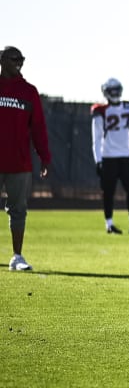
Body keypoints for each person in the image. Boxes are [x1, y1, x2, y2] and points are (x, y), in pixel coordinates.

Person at [0, 46, 51, 272]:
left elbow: (38, 127)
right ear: (2, 60)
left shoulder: (29, 91)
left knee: (18, 211)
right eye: (14, 59)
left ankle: (17, 257)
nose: (19, 62)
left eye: (21, 59)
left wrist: (44, 157)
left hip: (19, 163)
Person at [91, 77, 129, 235]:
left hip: (126, 156)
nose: (114, 93)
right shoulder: (100, 111)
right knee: (108, 192)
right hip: (109, 157)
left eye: (116, 90)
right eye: (111, 90)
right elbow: (96, 138)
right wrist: (98, 161)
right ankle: (109, 224)